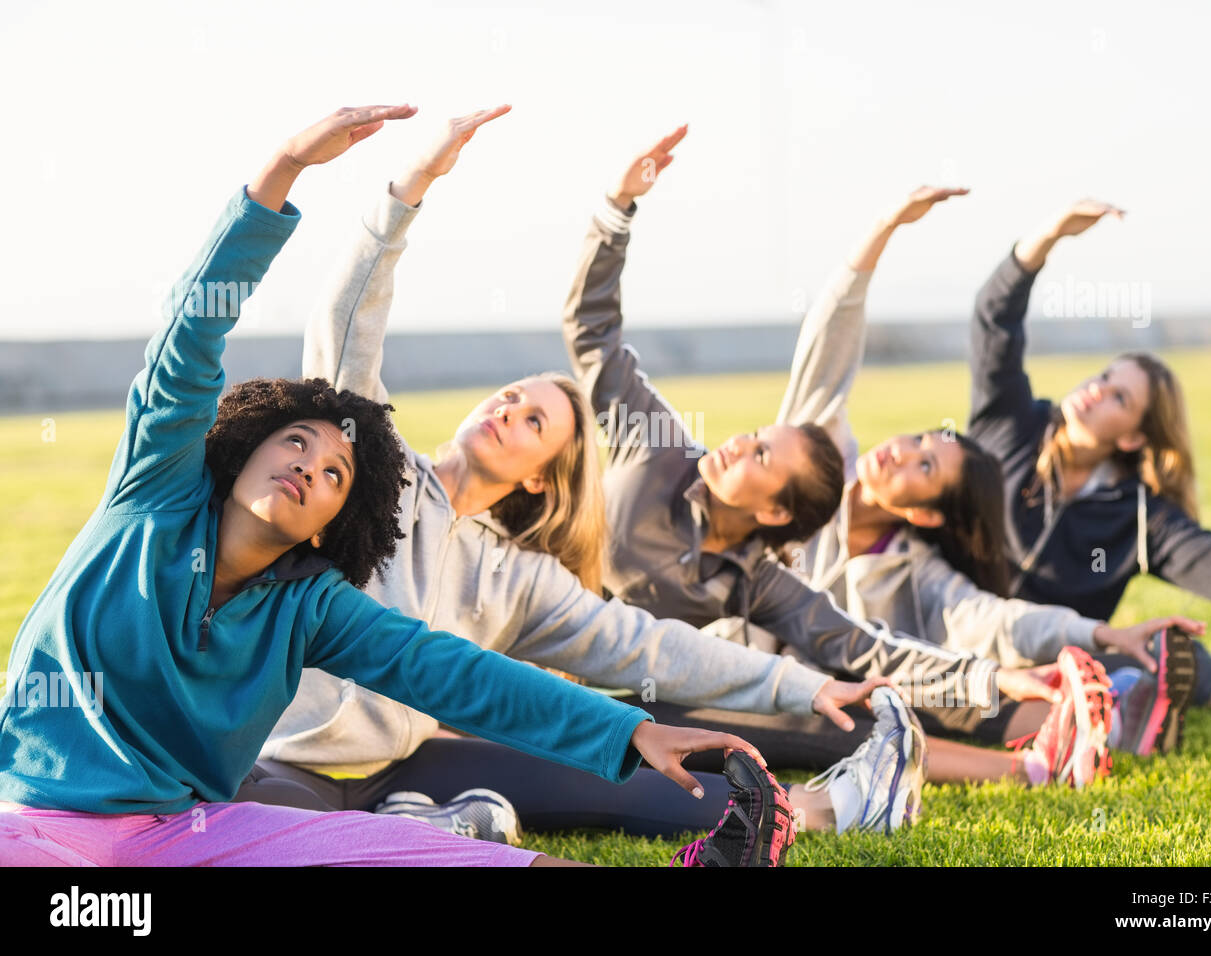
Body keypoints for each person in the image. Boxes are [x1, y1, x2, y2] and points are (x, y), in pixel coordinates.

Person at [0, 105, 784, 869]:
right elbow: (187, 344)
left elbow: (458, 675)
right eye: (295, 440)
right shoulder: (153, 497)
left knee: (432, 855)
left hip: (190, 834)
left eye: (336, 472)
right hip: (35, 824)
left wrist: (632, 734)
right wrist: (284, 171)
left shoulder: (313, 604)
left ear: (335, 523)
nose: (311, 463)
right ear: (241, 450)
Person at [240, 106, 928, 839]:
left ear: (540, 478)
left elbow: (650, 647)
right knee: (266, 819)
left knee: (606, 745)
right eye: (509, 397)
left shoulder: (518, 579)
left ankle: (831, 809)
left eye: (534, 420)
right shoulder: (373, 472)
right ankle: (423, 831)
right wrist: (406, 193)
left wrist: (808, 684)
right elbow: (345, 332)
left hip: (400, 763)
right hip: (282, 759)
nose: (508, 409)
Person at [562, 125, 1117, 794]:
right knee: (808, 694)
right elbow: (594, 332)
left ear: (773, 508)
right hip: (523, 646)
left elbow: (869, 650)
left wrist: (991, 674)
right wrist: (617, 208)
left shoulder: (764, 581)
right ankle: (1030, 747)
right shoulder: (659, 447)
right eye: (760, 434)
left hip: (627, 705)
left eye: (763, 452)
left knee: (822, 697)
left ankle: (1040, 754)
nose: (739, 440)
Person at [773, 183, 1207, 755]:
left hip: (811, 694)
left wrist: (1100, 634)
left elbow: (1000, 621)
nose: (900, 450)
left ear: (925, 514)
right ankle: (1103, 710)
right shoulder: (819, 469)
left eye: (924, 464)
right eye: (920, 440)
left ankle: (1110, 712)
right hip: (711, 651)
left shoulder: (915, 570)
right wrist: (884, 227)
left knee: (910, 698)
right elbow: (826, 348)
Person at [966, 198, 1211, 718]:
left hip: (1047, 663)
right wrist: (1047, 238)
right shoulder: (1010, 425)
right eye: (1104, 377)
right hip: (945, 633)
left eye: (1120, 398)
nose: (1097, 391)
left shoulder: (1141, 517)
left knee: (1167, 651)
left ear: (1132, 439)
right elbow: (994, 321)